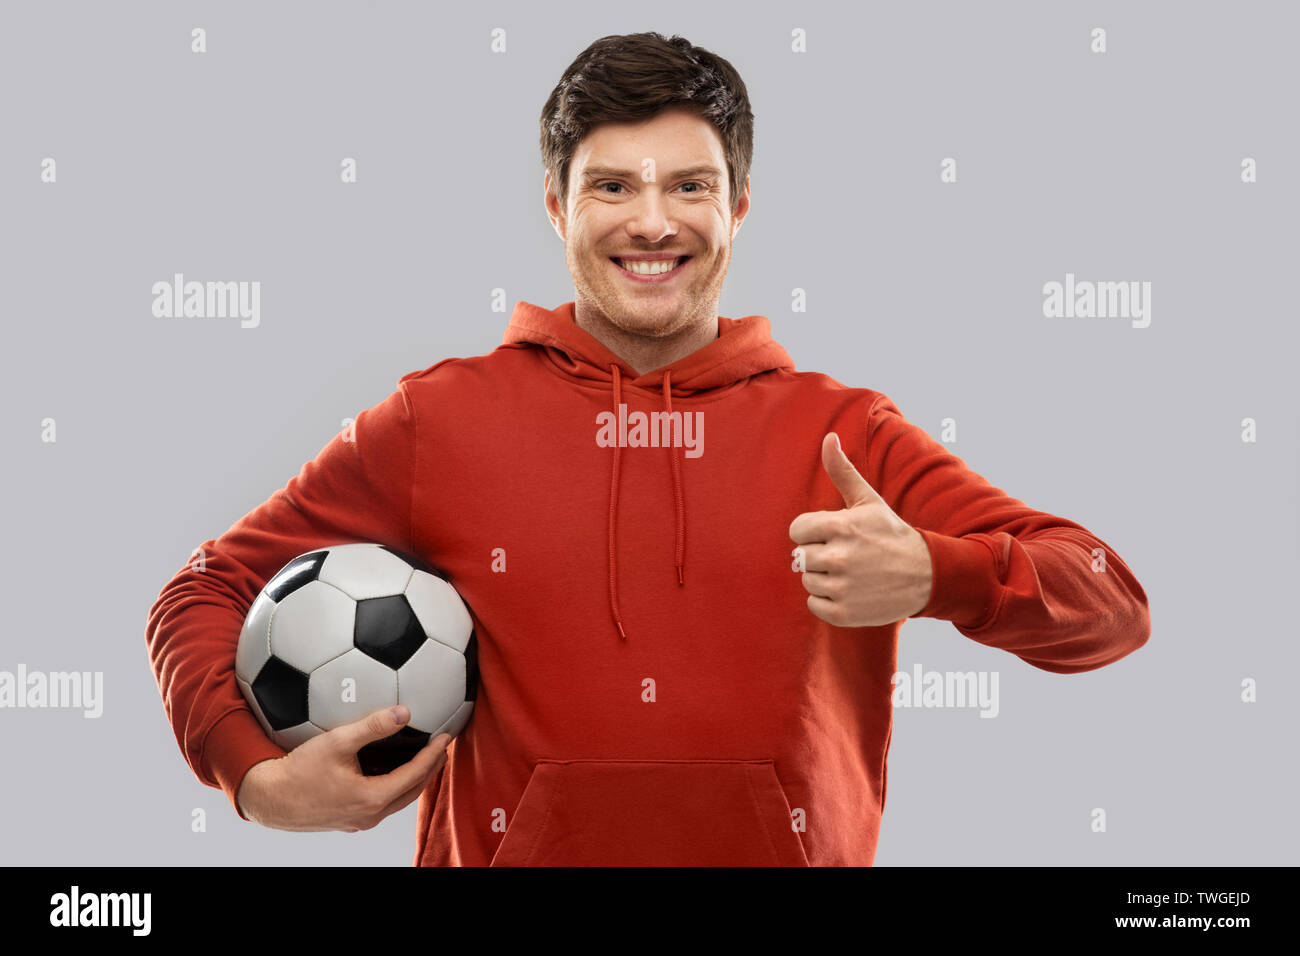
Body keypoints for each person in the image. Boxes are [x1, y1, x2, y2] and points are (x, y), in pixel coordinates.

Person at [145, 32, 1150, 866]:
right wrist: (254, 775)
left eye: (690, 186)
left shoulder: (841, 432)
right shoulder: (437, 420)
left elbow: (1111, 600)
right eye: (613, 185)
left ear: (738, 207)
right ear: (557, 206)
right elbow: (204, 585)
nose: (653, 221)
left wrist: (940, 570)